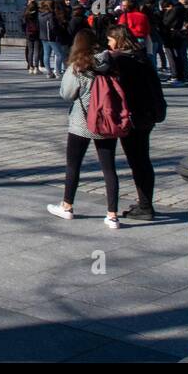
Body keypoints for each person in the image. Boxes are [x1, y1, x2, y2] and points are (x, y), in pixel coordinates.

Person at [48, 29, 122, 229]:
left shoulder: (79, 66)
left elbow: (67, 94)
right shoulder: (110, 62)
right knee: (109, 168)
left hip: (81, 122)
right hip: (106, 120)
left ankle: (67, 205)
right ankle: (112, 214)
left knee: (74, 165)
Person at [106, 25, 165, 221]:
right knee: (143, 160)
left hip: (132, 116)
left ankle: (146, 206)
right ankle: (144, 201)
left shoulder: (119, 59)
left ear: (118, 40)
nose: (108, 44)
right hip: (148, 114)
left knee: (137, 162)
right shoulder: (141, 56)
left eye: (110, 40)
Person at [22, 0, 43, 74]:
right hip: (37, 33)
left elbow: (23, 23)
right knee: (37, 51)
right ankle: (36, 68)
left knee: (30, 51)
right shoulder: (38, 14)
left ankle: (30, 67)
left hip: (28, 33)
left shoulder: (26, 14)